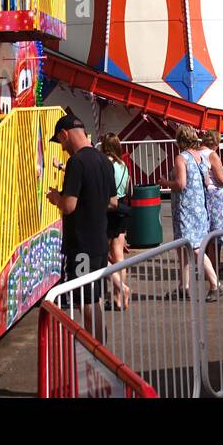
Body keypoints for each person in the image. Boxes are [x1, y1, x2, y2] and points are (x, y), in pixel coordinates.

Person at [47, 113, 116, 338]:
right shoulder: (104, 160)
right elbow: (113, 201)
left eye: (61, 142)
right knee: (93, 296)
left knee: (82, 298)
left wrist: (56, 196)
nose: (63, 148)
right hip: (99, 242)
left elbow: (69, 206)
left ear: (64, 134)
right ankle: (100, 344)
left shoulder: (76, 162)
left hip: (81, 244)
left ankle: (96, 347)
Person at [169, 124, 223, 301]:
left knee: (194, 248)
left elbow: (181, 184)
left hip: (185, 207)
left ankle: (215, 283)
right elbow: (207, 180)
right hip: (199, 206)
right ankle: (183, 286)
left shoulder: (181, 158)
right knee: (186, 246)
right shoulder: (199, 157)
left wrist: (165, 182)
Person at [100, 134, 132, 310]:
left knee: (101, 253)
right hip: (122, 208)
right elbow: (127, 188)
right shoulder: (123, 165)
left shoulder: (106, 164)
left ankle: (121, 288)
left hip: (108, 208)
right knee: (119, 255)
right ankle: (118, 297)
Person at [199, 129, 223, 237]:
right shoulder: (211, 155)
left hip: (202, 193)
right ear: (214, 143)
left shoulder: (196, 152)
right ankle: (214, 253)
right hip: (214, 195)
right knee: (216, 231)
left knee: (205, 229)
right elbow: (221, 179)